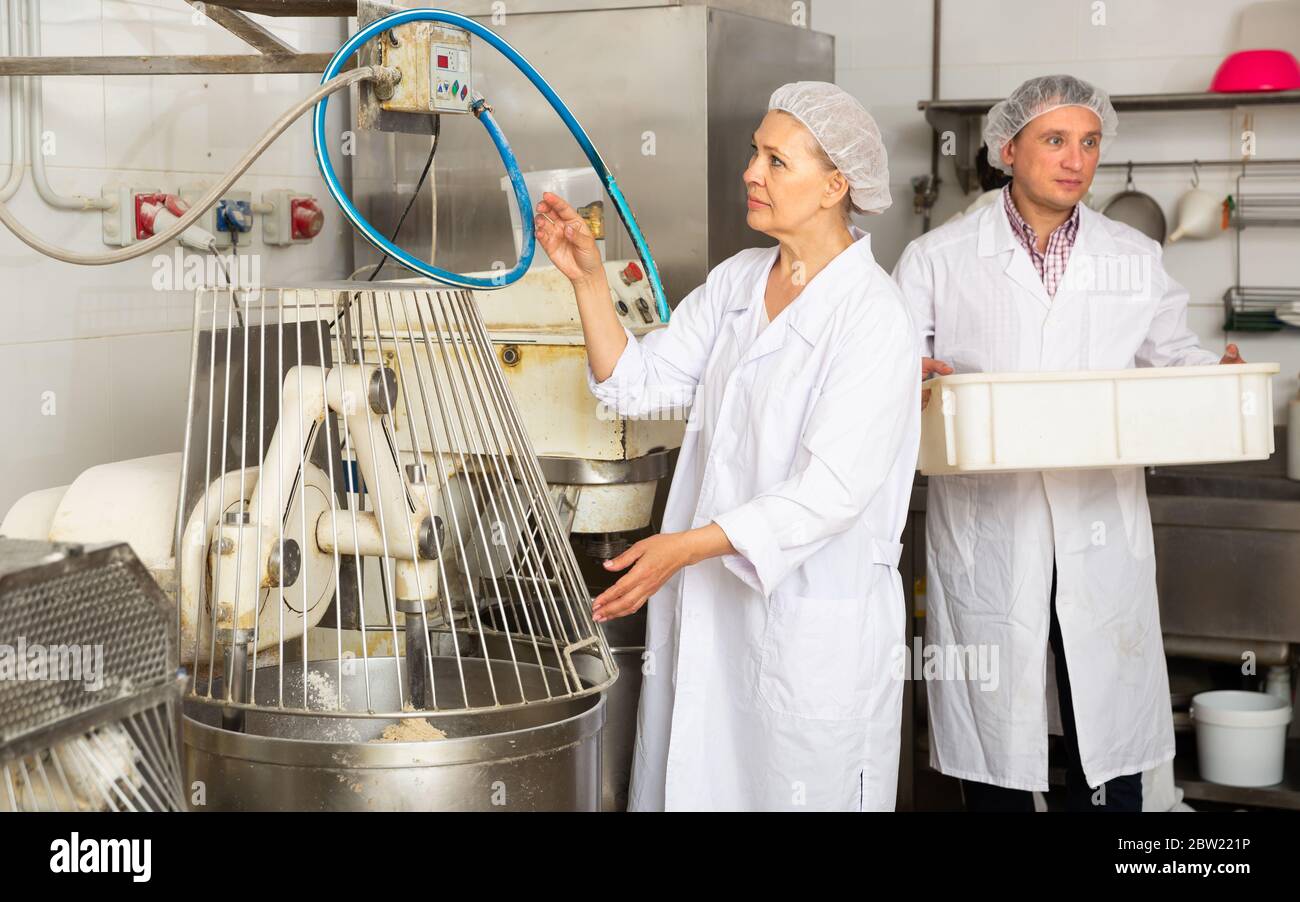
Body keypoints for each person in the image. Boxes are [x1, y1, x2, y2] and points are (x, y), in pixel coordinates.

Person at [533, 81, 919, 811]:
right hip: (712, 610)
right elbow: (635, 385)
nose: (751, 172)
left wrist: (681, 547)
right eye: (755, 154)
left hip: (809, 627)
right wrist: (589, 280)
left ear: (836, 185)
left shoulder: (874, 318)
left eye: (777, 160)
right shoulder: (739, 282)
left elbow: (828, 493)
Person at [893, 74, 1244, 812]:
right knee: (996, 727)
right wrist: (909, 378)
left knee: (1105, 718)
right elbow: (890, 374)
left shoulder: (1132, 255)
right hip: (992, 529)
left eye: (1089, 143)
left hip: (1097, 524)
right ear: (1006, 148)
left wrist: (1216, 375)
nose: (1075, 160)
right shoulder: (938, 258)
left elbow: (1171, 355)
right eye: (1055, 140)